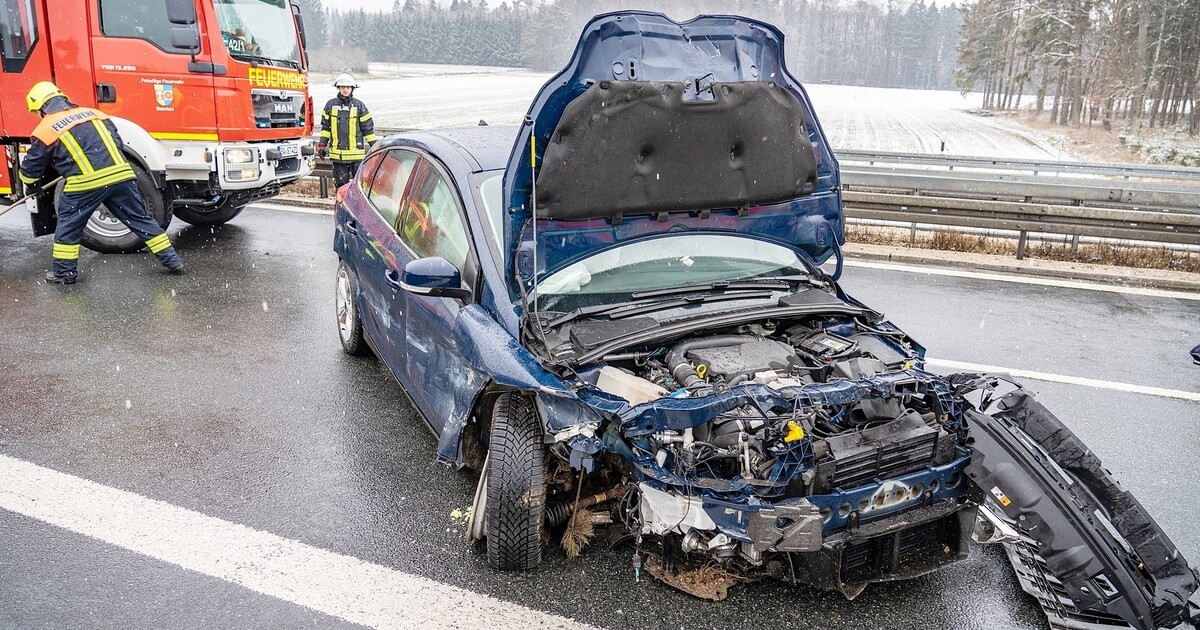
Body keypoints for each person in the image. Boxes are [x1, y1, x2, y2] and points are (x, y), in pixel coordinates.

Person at [19, 81, 183, 284]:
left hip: (86, 184)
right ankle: (172, 261)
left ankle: (64, 273)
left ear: (42, 108)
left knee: (68, 226)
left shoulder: (45, 129)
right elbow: (117, 143)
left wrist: (32, 185)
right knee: (141, 219)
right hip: (121, 174)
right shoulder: (95, 115)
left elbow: (31, 167)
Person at [318, 73, 377, 189]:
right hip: (338, 158)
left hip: (356, 157)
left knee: (359, 188)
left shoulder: (359, 106)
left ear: (352, 88)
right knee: (341, 188)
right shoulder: (330, 106)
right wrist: (321, 145)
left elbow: (368, 129)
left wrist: (375, 146)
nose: (345, 90)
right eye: (342, 87)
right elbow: (325, 128)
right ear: (338, 88)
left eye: (348, 87)